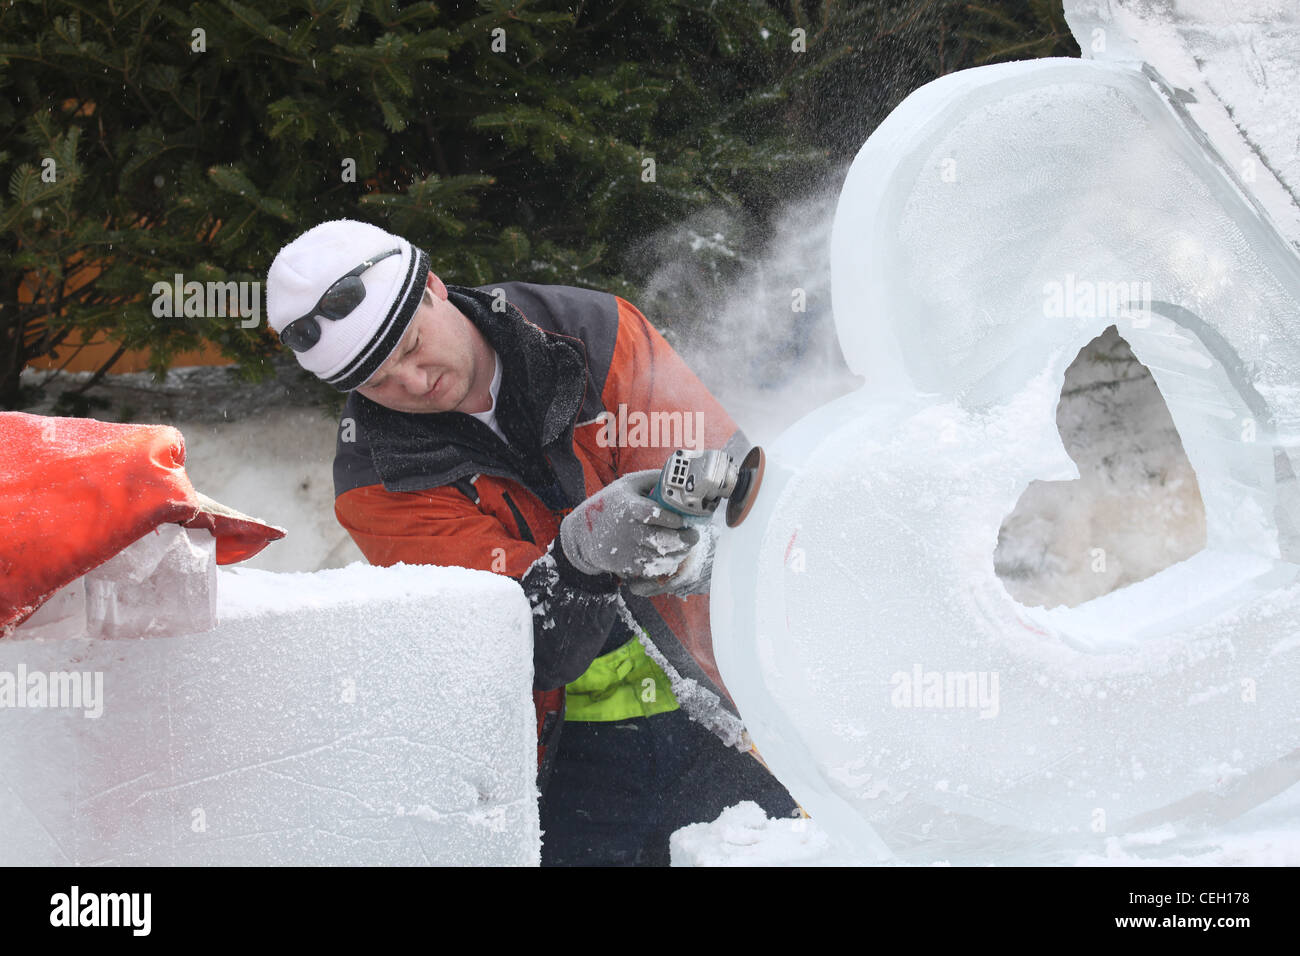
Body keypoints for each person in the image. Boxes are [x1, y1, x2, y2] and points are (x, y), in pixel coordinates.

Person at [266, 219, 795, 865]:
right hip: (564, 750)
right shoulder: (378, 480)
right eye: (376, 381)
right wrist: (579, 560)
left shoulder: (594, 331)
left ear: (433, 286)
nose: (410, 382)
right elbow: (518, 642)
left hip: (715, 699)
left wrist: (698, 554)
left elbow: (726, 481)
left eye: (409, 346)